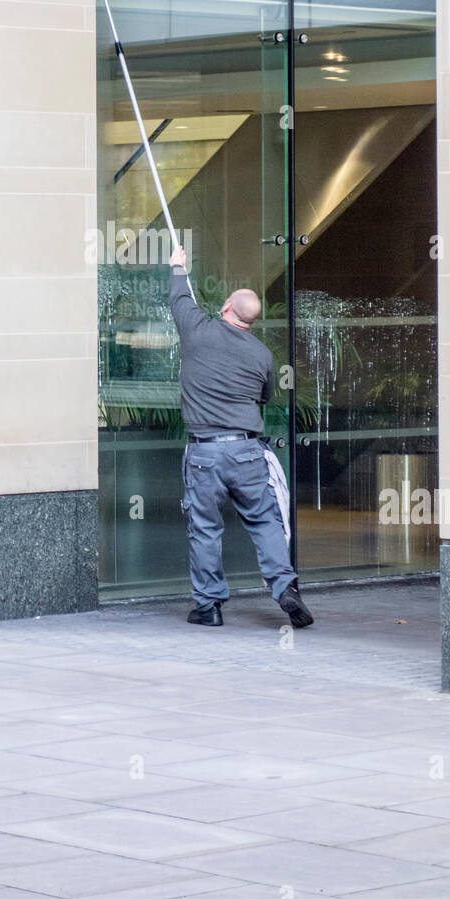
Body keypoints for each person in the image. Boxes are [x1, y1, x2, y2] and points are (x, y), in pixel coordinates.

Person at [169, 244, 313, 630]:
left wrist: (178, 266)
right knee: (265, 523)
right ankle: (286, 589)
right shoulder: (262, 354)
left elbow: (180, 299)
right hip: (248, 451)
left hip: (205, 454)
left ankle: (208, 607)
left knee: (205, 529)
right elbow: (265, 397)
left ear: (227, 309)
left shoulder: (198, 331)